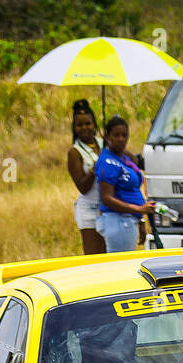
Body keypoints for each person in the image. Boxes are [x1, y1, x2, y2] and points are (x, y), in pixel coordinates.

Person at [95, 116, 153, 253]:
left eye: (124, 135)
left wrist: (140, 219)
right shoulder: (108, 162)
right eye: (116, 135)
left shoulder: (124, 159)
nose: (121, 139)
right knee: (118, 266)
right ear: (108, 136)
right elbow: (107, 198)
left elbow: (132, 191)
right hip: (118, 221)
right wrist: (138, 209)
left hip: (129, 220)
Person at [66, 99, 106, 255]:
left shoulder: (105, 144)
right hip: (89, 210)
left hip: (109, 208)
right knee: (94, 258)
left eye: (88, 124)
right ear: (74, 128)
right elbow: (82, 187)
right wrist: (94, 169)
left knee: (110, 257)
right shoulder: (75, 152)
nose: (84, 128)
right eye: (80, 125)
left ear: (94, 124)